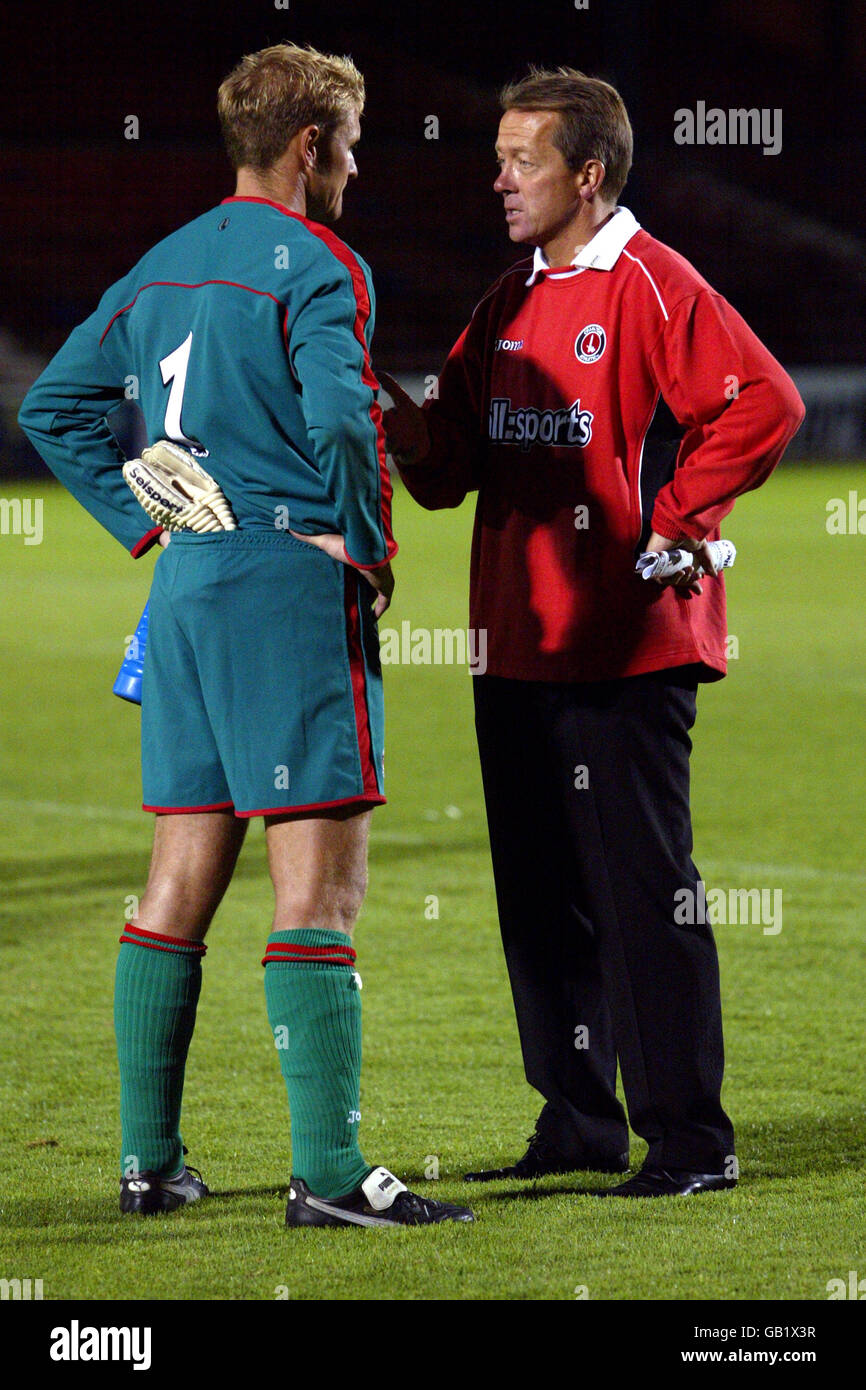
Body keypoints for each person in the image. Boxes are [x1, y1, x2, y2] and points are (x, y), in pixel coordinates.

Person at [18, 42, 472, 1228]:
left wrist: (148, 519)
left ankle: (146, 1164)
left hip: (187, 593)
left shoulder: (163, 262)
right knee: (318, 889)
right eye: (354, 146)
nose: (358, 170)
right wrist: (366, 549)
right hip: (284, 580)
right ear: (310, 145)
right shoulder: (321, 264)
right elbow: (337, 411)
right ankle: (327, 1174)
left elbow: (50, 406)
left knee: (175, 881)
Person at [381, 66, 805, 1198]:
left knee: (640, 894)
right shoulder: (508, 297)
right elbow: (452, 469)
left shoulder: (652, 281)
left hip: (626, 648)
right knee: (540, 899)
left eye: (522, 160)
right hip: (515, 646)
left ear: (587, 173)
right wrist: (392, 419)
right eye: (499, 156)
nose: (499, 178)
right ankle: (576, 1119)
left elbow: (763, 402)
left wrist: (677, 516)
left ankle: (688, 1140)